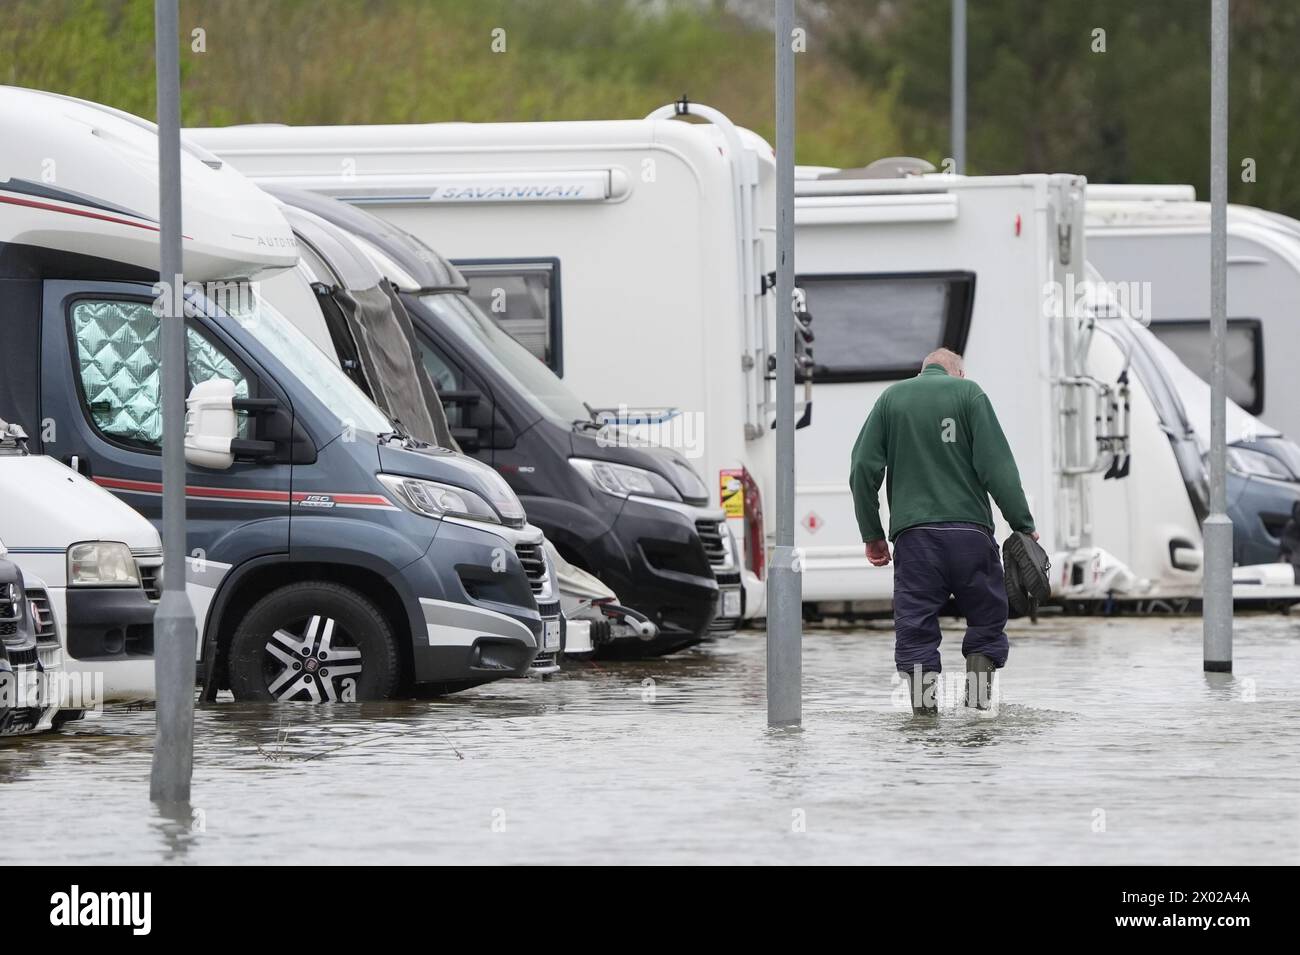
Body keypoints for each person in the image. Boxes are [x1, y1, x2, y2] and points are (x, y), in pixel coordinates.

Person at [848, 348, 1037, 714]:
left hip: (914, 538)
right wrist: (1022, 525)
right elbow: (997, 466)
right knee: (986, 619)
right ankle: (977, 711)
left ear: (923, 371)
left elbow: (862, 469)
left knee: (915, 628)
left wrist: (872, 533)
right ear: (958, 374)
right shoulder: (969, 394)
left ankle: (924, 721)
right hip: (971, 535)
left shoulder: (891, 399)